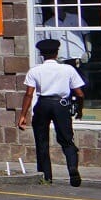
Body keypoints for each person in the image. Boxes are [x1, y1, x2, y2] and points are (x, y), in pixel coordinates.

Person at [19, 37, 85, 187]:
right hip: (61, 105)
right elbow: (80, 93)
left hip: (43, 104)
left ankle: (46, 175)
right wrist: (79, 110)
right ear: (57, 53)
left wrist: (23, 115)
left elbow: (29, 94)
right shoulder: (67, 69)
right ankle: (72, 167)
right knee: (67, 139)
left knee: (41, 140)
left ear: (42, 54)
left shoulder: (35, 71)